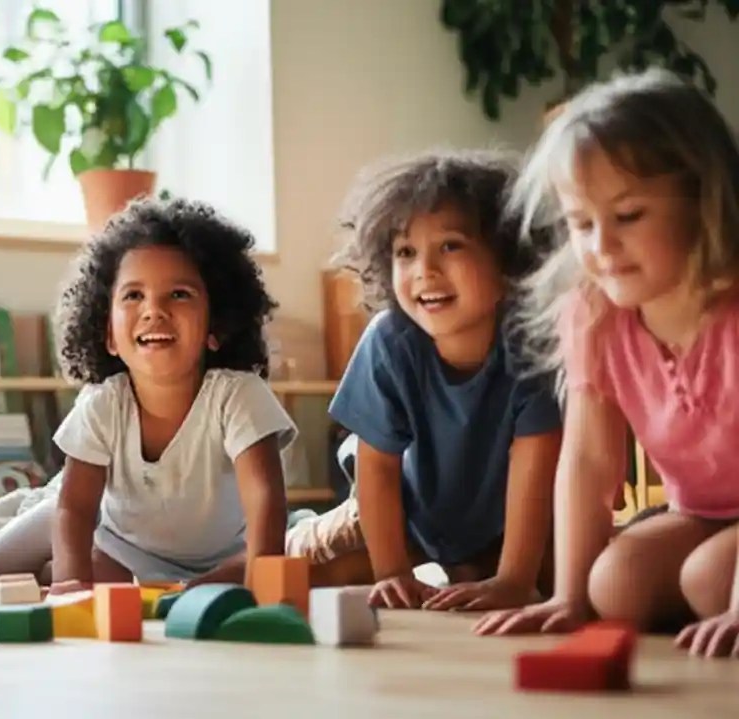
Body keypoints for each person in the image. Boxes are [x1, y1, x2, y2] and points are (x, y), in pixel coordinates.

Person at [474, 68, 739, 659]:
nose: (600, 246)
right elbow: (589, 461)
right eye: (581, 223)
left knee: (707, 579)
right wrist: (566, 597)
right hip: (702, 514)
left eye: (629, 215)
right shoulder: (596, 315)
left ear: (703, 199)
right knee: (611, 585)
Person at [286, 148, 563, 611]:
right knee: (306, 571)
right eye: (405, 253)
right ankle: (300, 532)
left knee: (557, 583)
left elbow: (536, 467)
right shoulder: (390, 342)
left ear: (509, 259)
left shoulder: (533, 346)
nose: (424, 271)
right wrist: (391, 572)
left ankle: (466, 566)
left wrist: (514, 579)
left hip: (495, 519)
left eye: (450, 246)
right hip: (396, 510)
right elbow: (377, 469)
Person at [47, 197, 297, 590]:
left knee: (294, 561)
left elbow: (266, 498)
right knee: (7, 562)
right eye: (134, 296)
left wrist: (262, 585)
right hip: (124, 551)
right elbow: (75, 509)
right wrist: (70, 586)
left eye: (179, 294)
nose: (154, 310)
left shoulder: (238, 396)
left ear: (217, 324)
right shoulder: (102, 404)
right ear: (108, 333)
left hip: (224, 558)